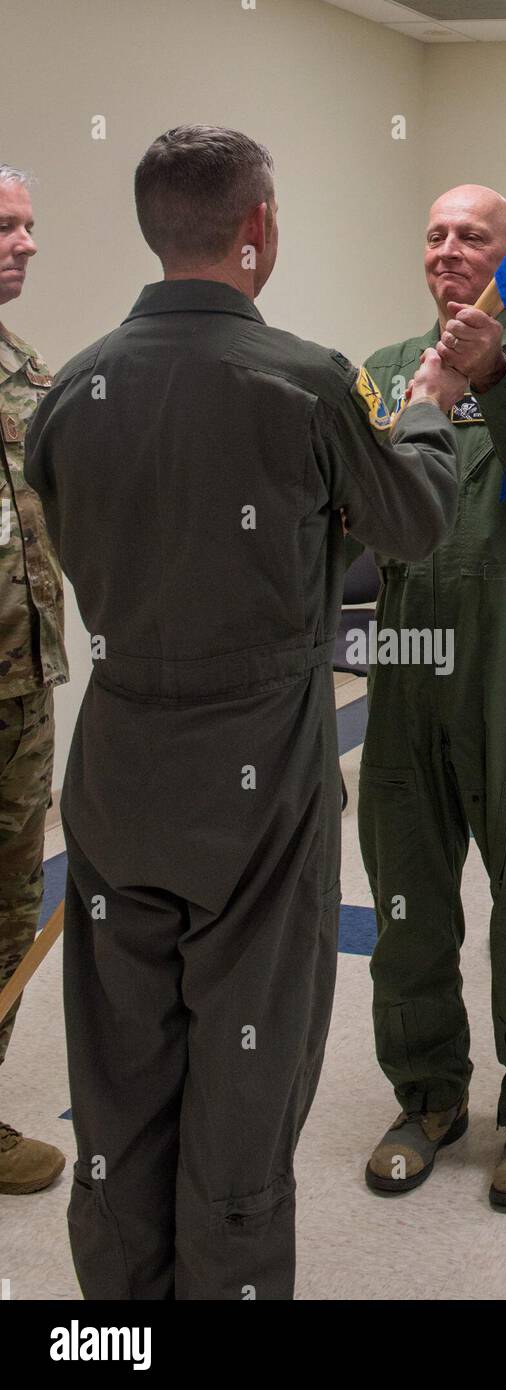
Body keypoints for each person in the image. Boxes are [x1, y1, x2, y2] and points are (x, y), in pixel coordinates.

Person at [24, 125, 464, 1299]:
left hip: (115, 764)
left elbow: (78, 555)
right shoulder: (311, 382)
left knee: (118, 1076)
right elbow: (412, 523)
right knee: (247, 1068)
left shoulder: (69, 390)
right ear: (256, 229)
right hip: (257, 773)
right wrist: (430, 407)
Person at [355, 184, 506, 1209]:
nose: (448, 249)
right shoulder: (378, 370)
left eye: (474, 236)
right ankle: (427, 1095)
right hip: (410, 657)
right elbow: (356, 507)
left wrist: (493, 378)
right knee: (406, 893)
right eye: (435, 233)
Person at [0, 164, 68, 1196]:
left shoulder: (30, 375)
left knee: (13, 908)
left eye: (27, 225)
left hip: (20, 690)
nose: (26, 242)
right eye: (5, 227)